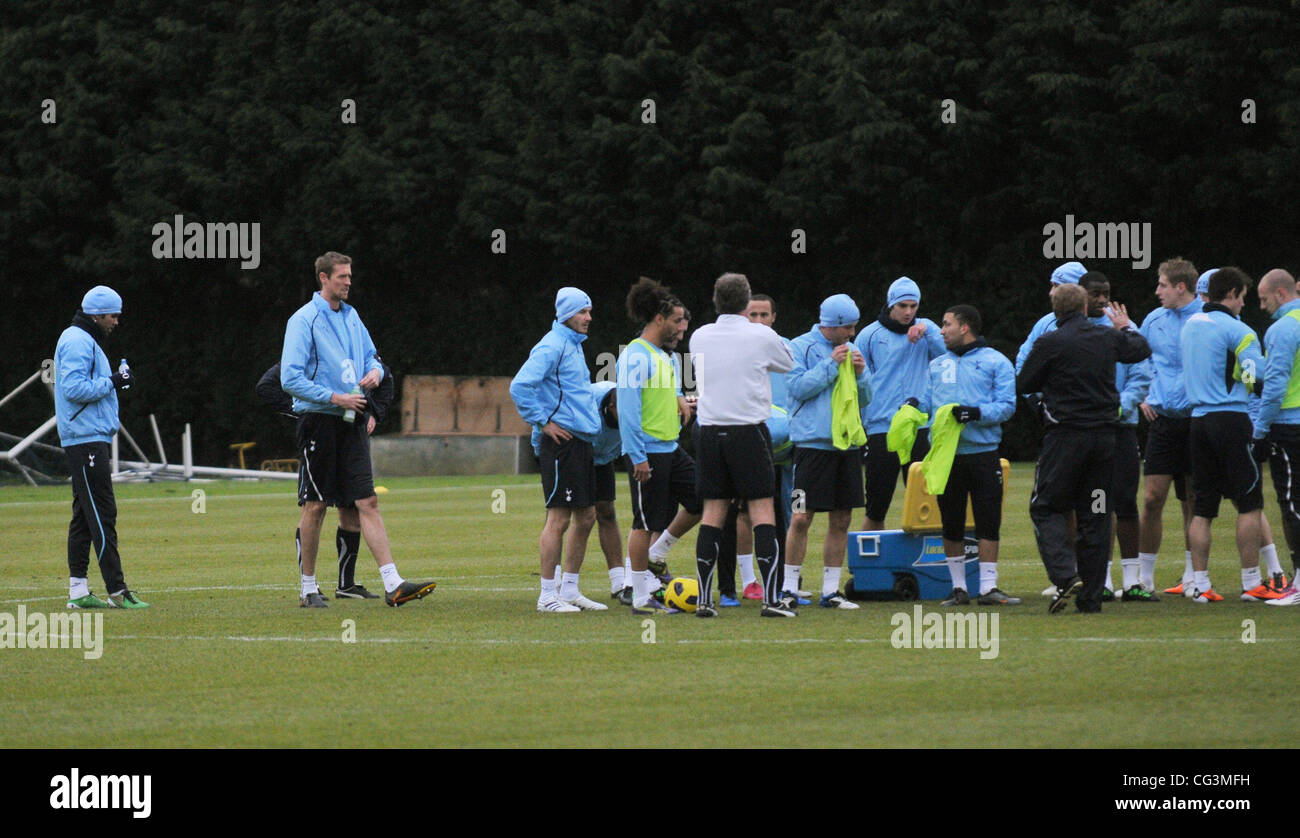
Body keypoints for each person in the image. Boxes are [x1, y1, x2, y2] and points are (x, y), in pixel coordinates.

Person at [280, 252, 435, 608]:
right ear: (323, 278)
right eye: (342, 277)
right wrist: (334, 398)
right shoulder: (303, 320)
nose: (349, 282)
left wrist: (376, 374)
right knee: (316, 505)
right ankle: (307, 587)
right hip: (319, 422)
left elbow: (371, 357)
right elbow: (290, 378)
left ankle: (393, 584)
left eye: (350, 276)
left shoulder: (352, 317)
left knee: (367, 500)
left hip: (351, 422)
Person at [1019, 284, 1152, 613]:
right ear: (1083, 308)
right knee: (1096, 513)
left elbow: (1024, 384)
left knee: (1046, 506)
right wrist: (1125, 326)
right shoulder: (1106, 337)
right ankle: (1091, 596)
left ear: (1056, 310)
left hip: (1065, 440)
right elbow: (1140, 349)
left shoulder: (1050, 342)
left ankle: (1065, 575)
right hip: (1104, 442)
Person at [689, 273, 796, 617]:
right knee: (762, 510)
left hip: (709, 432)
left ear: (715, 300)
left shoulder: (700, 335)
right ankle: (771, 599)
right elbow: (788, 363)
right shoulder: (761, 335)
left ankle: (705, 601)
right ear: (747, 302)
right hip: (748, 432)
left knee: (713, 513)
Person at [257, 359, 393, 599]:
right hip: (319, 435)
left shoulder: (358, 350)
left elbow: (386, 380)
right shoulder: (307, 350)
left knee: (353, 508)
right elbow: (267, 386)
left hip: (351, 437)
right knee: (315, 505)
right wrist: (302, 407)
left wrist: (373, 414)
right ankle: (309, 586)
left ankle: (346, 585)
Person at [509, 286, 607, 613]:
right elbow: (521, 386)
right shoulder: (552, 346)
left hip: (580, 442)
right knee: (559, 519)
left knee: (587, 515)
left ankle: (570, 589)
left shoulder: (573, 346)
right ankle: (547, 595)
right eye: (583, 312)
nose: (588, 318)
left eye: (589, 311)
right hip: (561, 444)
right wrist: (543, 421)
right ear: (566, 313)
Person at [54, 285, 148, 609]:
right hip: (85, 439)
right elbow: (73, 388)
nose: (116, 322)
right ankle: (118, 591)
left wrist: (113, 379)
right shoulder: (78, 341)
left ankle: (78, 592)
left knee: (83, 516)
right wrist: (114, 381)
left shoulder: (83, 339)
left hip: (88, 436)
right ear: (97, 314)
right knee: (102, 513)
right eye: (113, 316)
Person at [921, 305, 1019, 606]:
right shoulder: (937, 365)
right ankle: (959, 588)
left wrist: (976, 413)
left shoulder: (996, 361)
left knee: (988, 520)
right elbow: (927, 402)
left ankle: (988, 588)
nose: (941, 330)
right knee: (950, 521)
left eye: (946, 323)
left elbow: (1007, 406)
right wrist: (912, 406)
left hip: (983, 453)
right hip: (946, 456)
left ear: (965, 327)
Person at [1179, 267, 1267, 602]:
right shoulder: (1239, 331)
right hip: (1231, 418)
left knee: (1203, 508)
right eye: (1242, 296)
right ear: (1230, 294)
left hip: (1197, 421)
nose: (1244, 303)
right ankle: (1251, 583)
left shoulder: (1189, 326)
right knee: (1249, 503)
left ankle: (1200, 585)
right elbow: (1254, 380)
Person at [616, 278, 703, 614]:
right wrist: (637, 457)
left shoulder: (662, 356)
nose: (682, 327)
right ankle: (639, 596)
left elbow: (662, 391)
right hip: (648, 452)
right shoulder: (635, 357)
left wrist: (680, 399)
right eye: (678, 320)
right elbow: (627, 411)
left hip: (670, 449)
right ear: (658, 319)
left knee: (701, 499)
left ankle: (657, 555)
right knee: (644, 523)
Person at [784, 294, 872, 610]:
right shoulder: (798, 347)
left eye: (853, 327)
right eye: (847, 327)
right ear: (831, 325)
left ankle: (831, 592)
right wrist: (830, 365)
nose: (851, 334)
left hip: (846, 446)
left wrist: (861, 375)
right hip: (810, 448)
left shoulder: (853, 350)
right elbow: (796, 388)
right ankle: (788, 588)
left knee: (842, 517)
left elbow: (866, 397)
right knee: (800, 516)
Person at [1073, 274, 1156, 602]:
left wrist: (1116, 407)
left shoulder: (1125, 327)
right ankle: (1102, 579)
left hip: (1119, 428)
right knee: (1097, 504)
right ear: (1082, 295)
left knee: (1125, 502)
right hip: (1089, 430)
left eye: (1106, 294)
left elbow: (1141, 375)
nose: (1102, 300)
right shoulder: (1071, 329)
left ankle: (1132, 580)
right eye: (1096, 294)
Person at [854, 276, 945, 530]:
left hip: (920, 426)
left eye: (913, 306)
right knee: (876, 505)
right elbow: (860, 382)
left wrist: (928, 331)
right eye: (902, 306)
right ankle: (870, 567)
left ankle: (930, 565)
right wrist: (865, 421)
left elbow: (950, 358)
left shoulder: (928, 330)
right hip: (882, 427)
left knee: (927, 503)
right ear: (890, 304)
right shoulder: (868, 335)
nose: (908, 312)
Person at [1136, 258, 1202, 596]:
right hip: (1161, 420)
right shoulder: (1153, 320)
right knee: (1151, 498)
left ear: (1180, 287)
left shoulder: (1206, 319)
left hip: (1196, 420)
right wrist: (1144, 395)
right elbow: (1140, 358)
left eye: (1162, 284)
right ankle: (1144, 578)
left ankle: (1192, 575)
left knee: (1192, 498)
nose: (1157, 291)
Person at [1255, 268, 1300, 605]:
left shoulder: (1283, 329)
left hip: (1288, 424)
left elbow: (1275, 385)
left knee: (1292, 504)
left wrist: (1259, 429)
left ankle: (1298, 581)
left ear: (1281, 294)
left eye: (1264, 298)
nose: (1261, 305)